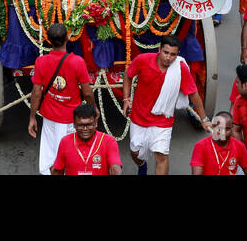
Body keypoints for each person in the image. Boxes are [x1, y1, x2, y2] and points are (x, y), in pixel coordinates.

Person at [124, 33, 211, 175]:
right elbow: (128, 75)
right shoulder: (142, 60)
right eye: (165, 52)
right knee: (136, 153)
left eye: (173, 55)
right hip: (138, 117)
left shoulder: (180, 68)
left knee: (161, 156)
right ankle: (142, 165)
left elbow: (193, 94)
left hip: (163, 121)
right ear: (159, 50)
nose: (168, 57)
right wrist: (126, 99)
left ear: (177, 55)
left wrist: (204, 119)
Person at [27, 23, 94, 175]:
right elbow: (88, 92)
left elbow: (36, 93)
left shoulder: (41, 62)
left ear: (48, 40)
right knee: (71, 159)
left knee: (53, 159)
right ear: (68, 38)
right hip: (72, 120)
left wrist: (32, 117)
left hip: (50, 119)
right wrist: (93, 109)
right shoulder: (77, 62)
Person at [51, 103, 123, 175]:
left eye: (89, 125)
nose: (85, 129)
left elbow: (115, 167)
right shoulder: (65, 141)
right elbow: (57, 170)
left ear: (95, 123)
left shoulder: (109, 141)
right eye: (80, 125)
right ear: (74, 124)